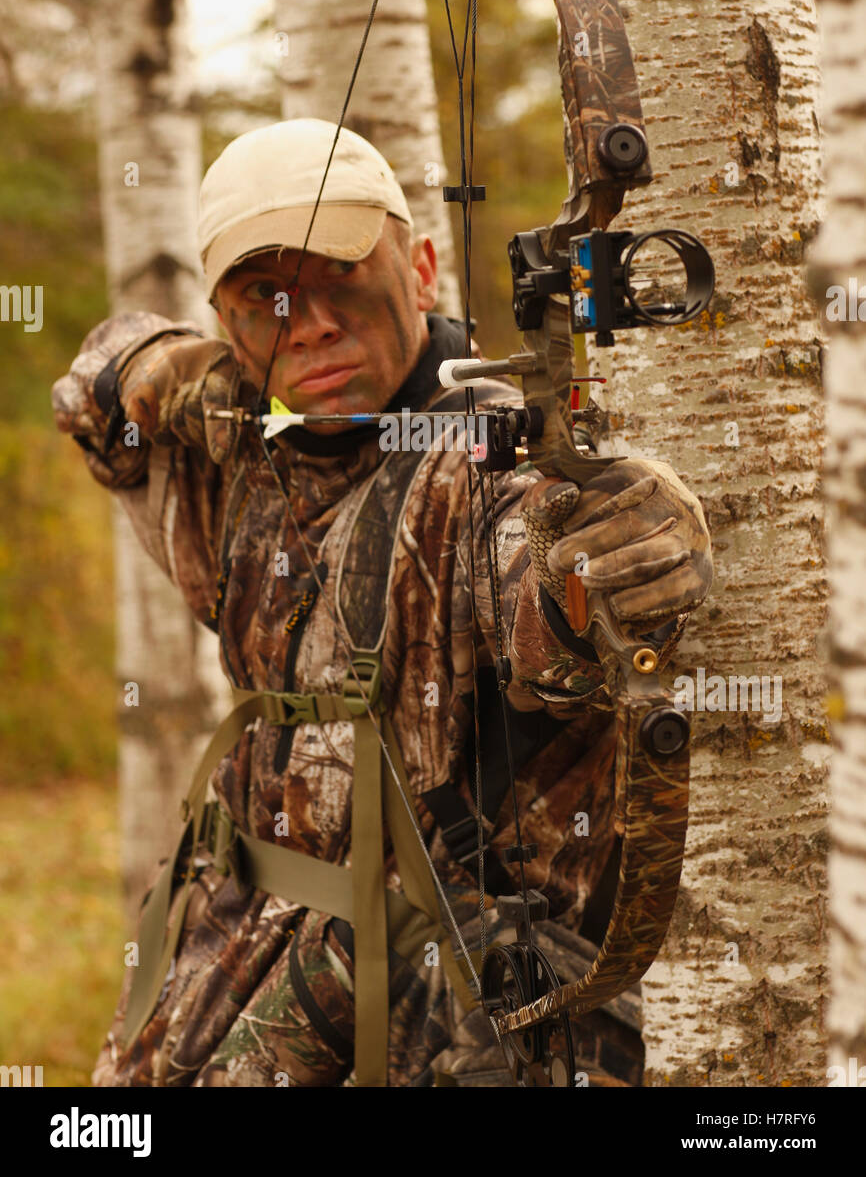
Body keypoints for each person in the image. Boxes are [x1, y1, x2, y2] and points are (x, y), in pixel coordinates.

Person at [52, 117, 713, 1087]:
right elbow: (92, 392)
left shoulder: (491, 465)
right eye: (266, 300)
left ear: (421, 268)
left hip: (423, 1018)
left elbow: (547, 611)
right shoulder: (236, 465)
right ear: (228, 324)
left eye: (340, 280)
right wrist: (200, 378)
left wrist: (606, 572)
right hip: (215, 966)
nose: (310, 322)